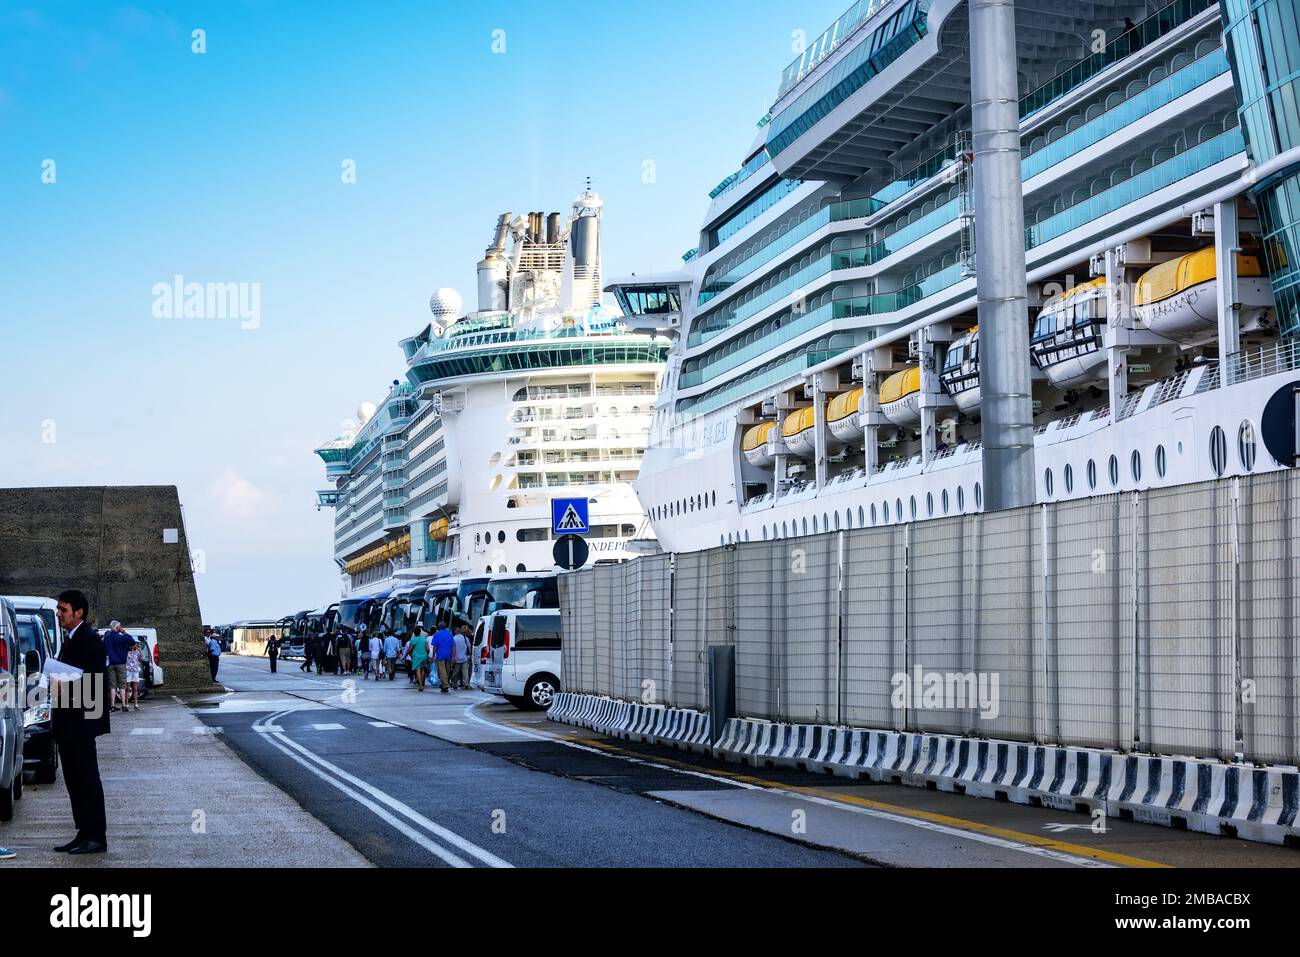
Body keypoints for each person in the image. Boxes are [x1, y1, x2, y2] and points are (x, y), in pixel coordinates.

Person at [52, 589, 110, 855]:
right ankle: (83, 832)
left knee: (87, 779)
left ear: (79, 612)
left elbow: (96, 681)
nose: (58, 614)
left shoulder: (89, 639)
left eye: (63, 610)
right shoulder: (70, 639)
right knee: (74, 781)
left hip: (81, 725)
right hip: (68, 723)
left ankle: (96, 836)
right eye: (59, 609)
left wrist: (63, 681)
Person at [104, 621, 133, 712]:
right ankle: (124, 705)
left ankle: (112, 705)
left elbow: (103, 649)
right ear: (117, 628)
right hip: (121, 663)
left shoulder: (107, 638)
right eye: (120, 627)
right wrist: (124, 632)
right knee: (122, 685)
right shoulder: (121, 637)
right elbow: (131, 641)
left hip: (110, 663)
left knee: (112, 686)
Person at [431, 620, 456, 694]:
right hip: (448, 655)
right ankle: (444, 684)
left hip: (440, 655)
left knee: (442, 671)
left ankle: (445, 685)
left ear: (439, 627)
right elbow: (453, 646)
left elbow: (435, 646)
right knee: (447, 671)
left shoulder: (437, 634)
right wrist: (454, 656)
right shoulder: (450, 634)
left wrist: (433, 655)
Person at [406, 625, 429, 691]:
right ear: (420, 632)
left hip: (416, 656)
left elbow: (410, 649)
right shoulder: (424, 639)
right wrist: (426, 654)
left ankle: (420, 685)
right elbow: (427, 649)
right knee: (423, 669)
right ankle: (422, 683)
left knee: (418, 670)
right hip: (424, 656)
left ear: (414, 632)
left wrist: (405, 655)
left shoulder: (413, 639)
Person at [123, 639, 144, 711]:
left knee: (135, 688)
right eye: (136, 644)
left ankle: (136, 704)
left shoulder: (137, 652)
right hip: (128, 671)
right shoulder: (127, 652)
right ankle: (126, 704)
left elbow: (141, 658)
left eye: (138, 644)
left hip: (135, 671)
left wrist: (140, 650)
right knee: (127, 688)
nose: (137, 645)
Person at [458, 625, 474, 689]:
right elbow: (470, 647)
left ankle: (461, 682)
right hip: (466, 656)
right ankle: (466, 683)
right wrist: (470, 654)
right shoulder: (471, 637)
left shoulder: (461, 637)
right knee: (466, 670)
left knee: (460, 670)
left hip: (460, 655)